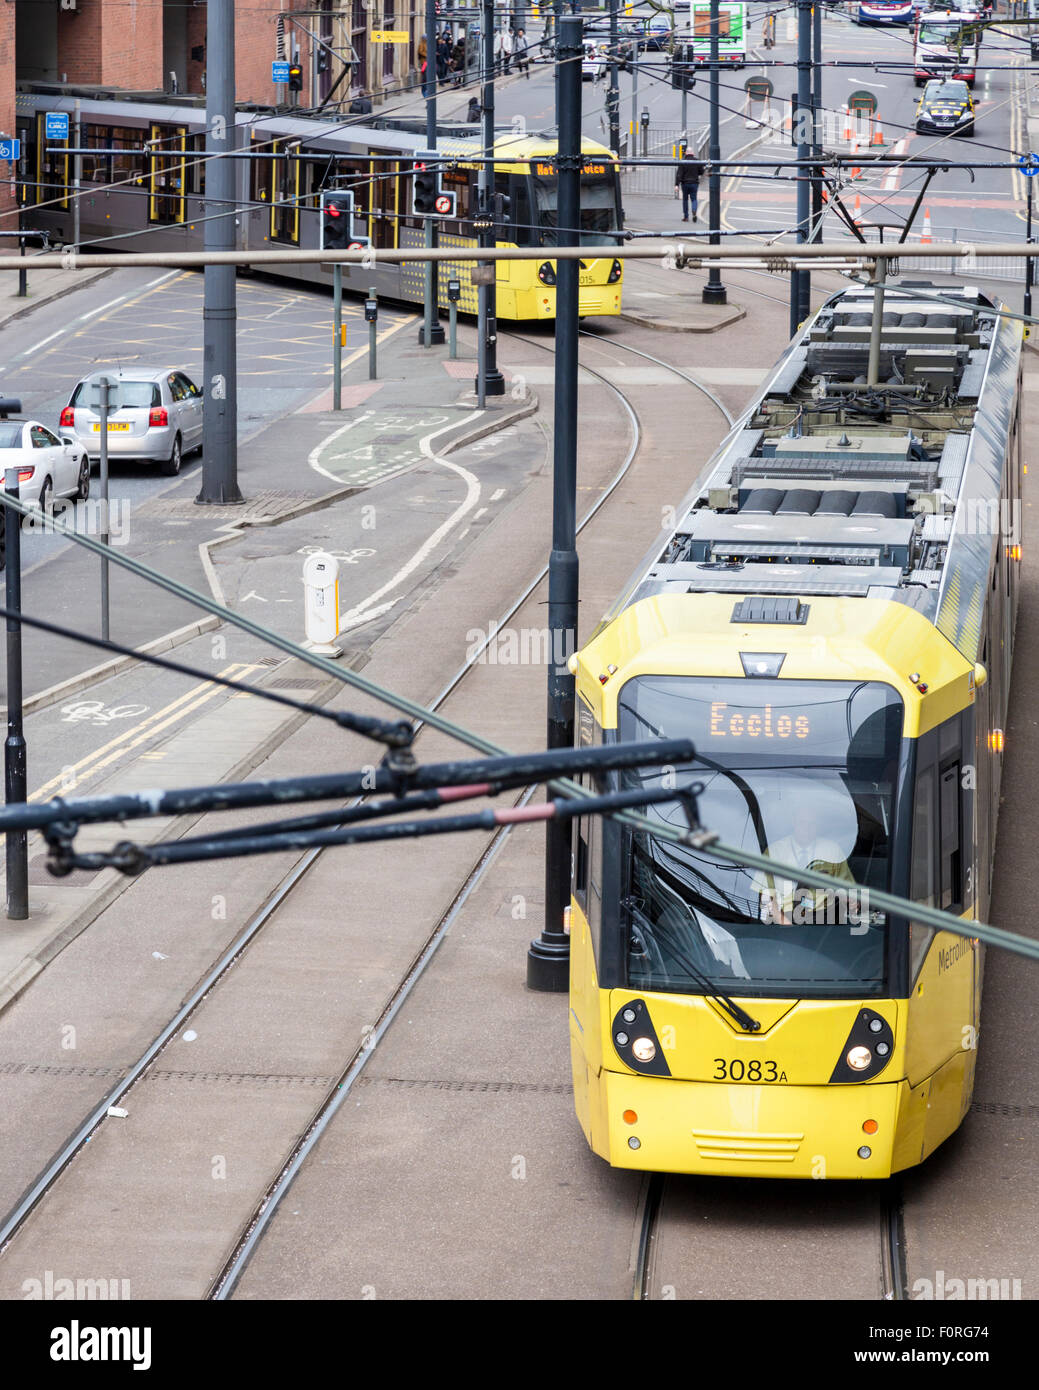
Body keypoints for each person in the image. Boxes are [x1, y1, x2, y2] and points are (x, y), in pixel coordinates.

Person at [752, 804, 854, 925]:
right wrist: (786, 924)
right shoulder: (774, 852)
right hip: (784, 919)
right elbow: (766, 898)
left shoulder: (832, 850)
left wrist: (852, 901)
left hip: (823, 920)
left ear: (818, 826)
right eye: (802, 823)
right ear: (794, 823)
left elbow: (847, 891)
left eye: (812, 824)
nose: (807, 828)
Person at [674, 147, 705, 223]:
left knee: (685, 200)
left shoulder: (683, 161)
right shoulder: (697, 161)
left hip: (685, 184)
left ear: (686, 153)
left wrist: (676, 185)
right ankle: (694, 211)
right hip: (694, 183)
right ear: (693, 153)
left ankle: (686, 217)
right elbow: (701, 172)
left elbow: (679, 174)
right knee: (694, 199)